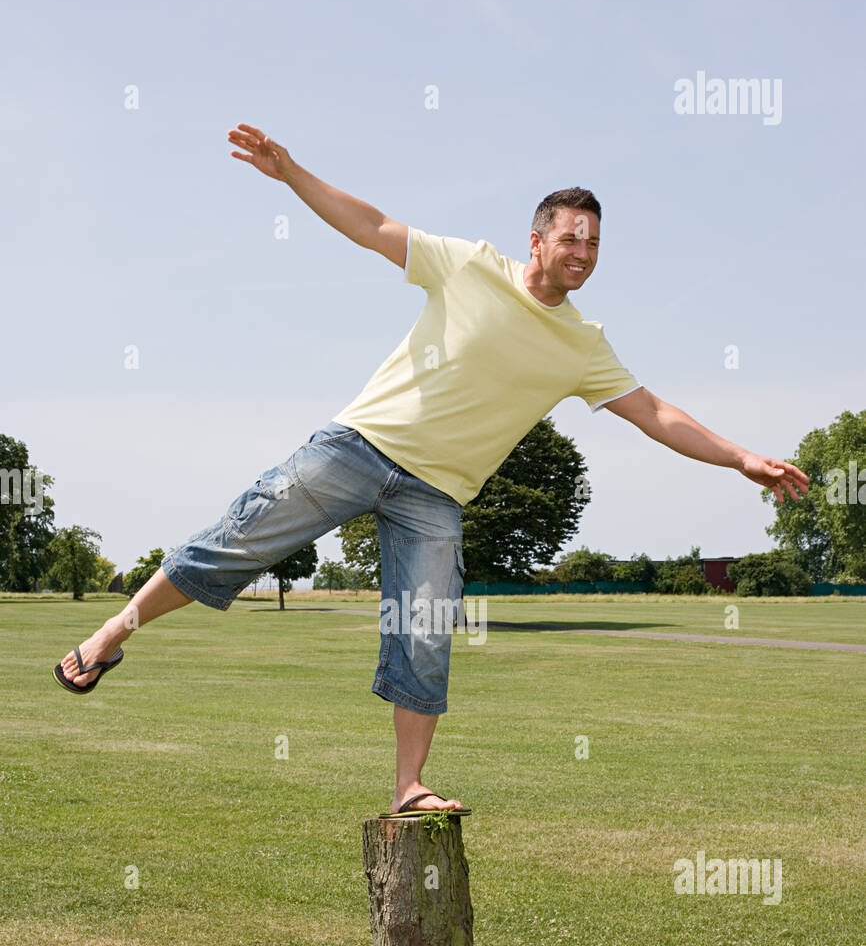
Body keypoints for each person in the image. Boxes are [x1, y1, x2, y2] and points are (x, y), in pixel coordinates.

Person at [54, 123, 809, 815]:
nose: (584, 254)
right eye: (572, 238)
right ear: (538, 239)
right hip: (358, 446)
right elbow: (375, 226)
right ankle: (113, 632)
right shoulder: (469, 265)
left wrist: (741, 456)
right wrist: (293, 175)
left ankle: (409, 786)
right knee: (242, 535)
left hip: (436, 497)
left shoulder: (584, 344)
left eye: (596, 245)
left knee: (425, 628)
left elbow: (655, 413)